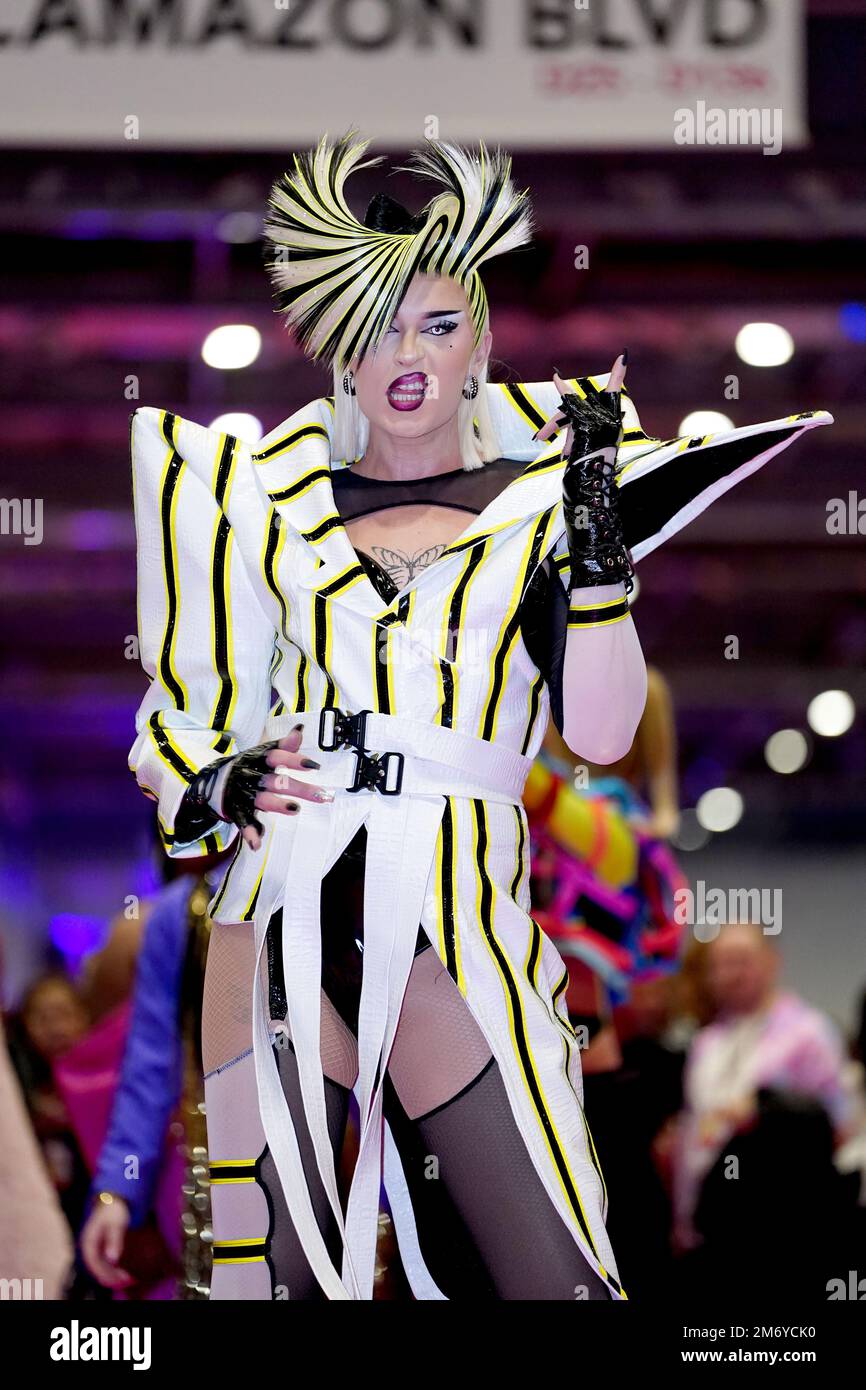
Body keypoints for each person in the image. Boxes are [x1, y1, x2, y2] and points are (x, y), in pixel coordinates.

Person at [127, 129, 833, 1301]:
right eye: (374, 328)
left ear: (479, 346)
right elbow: (188, 719)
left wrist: (597, 547)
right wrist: (220, 779)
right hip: (280, 908)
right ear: (333, 350)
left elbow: (599, 735)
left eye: (436, 325)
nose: (405, 355)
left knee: (546, 1276)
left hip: (454, 921)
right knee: (271, 1288)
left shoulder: (539, 502)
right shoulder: (252, 499)